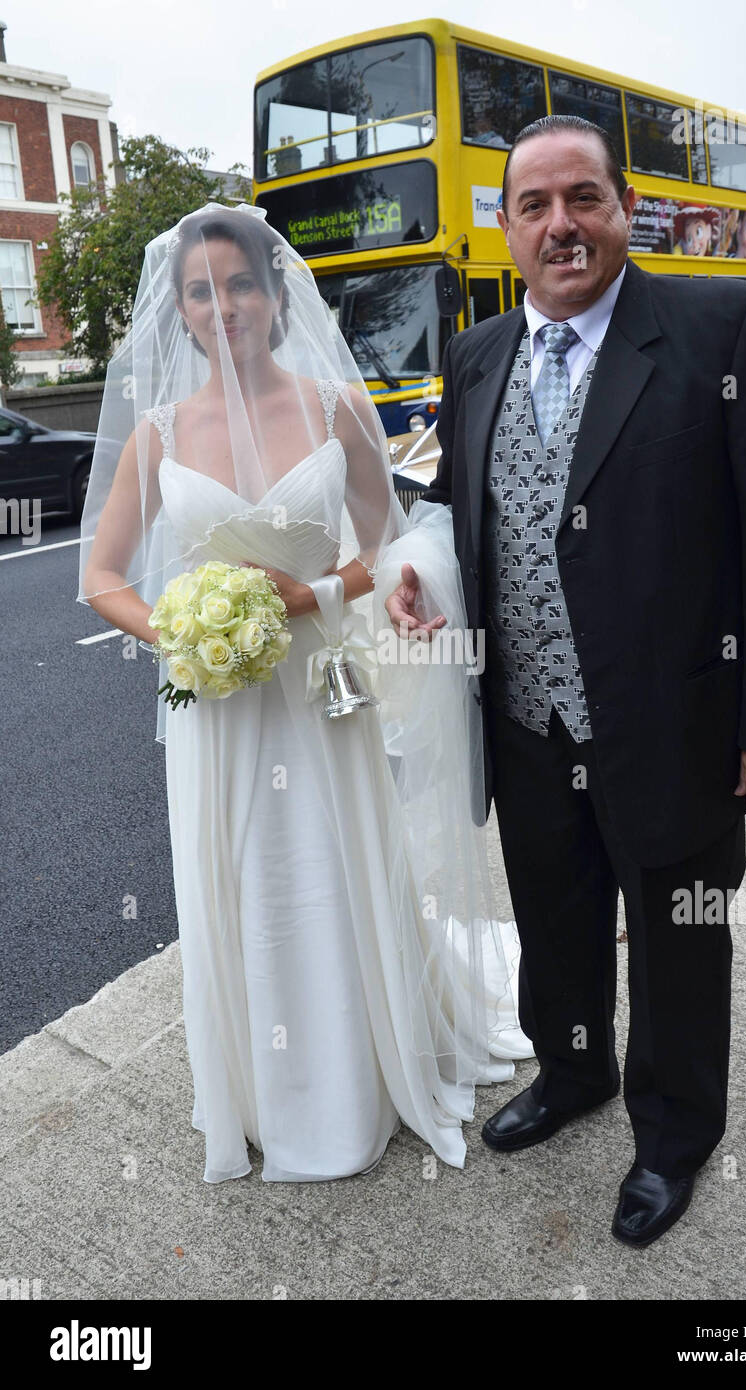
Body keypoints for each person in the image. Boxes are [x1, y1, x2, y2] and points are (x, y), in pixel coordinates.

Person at [385, 114, 746, 1246]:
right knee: (556, 918)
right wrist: (416, 571)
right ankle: (572, 1073)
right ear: (504, 228)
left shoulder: (721, 330)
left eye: (582, 198)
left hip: (675, 719)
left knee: (679, 935)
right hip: (528, 717)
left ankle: (673, 1135)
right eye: (532, 206)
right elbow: (461, 513)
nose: (560, 225)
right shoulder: (479, 353)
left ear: (625, 208)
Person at [77, 202, 532, 1184]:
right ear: (182, 310)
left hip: (323, 678)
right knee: (237, 871)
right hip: (212, 703)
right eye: (201, 291)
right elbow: (101, 578)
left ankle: (363, 1071)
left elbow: (393, 538)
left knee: (334, 857)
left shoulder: (330, 407)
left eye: (239, 283)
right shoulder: (158, 434)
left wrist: (320, 592)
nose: (222, 305)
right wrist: (185, 635)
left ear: (275, 294)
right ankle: (259, 1093)